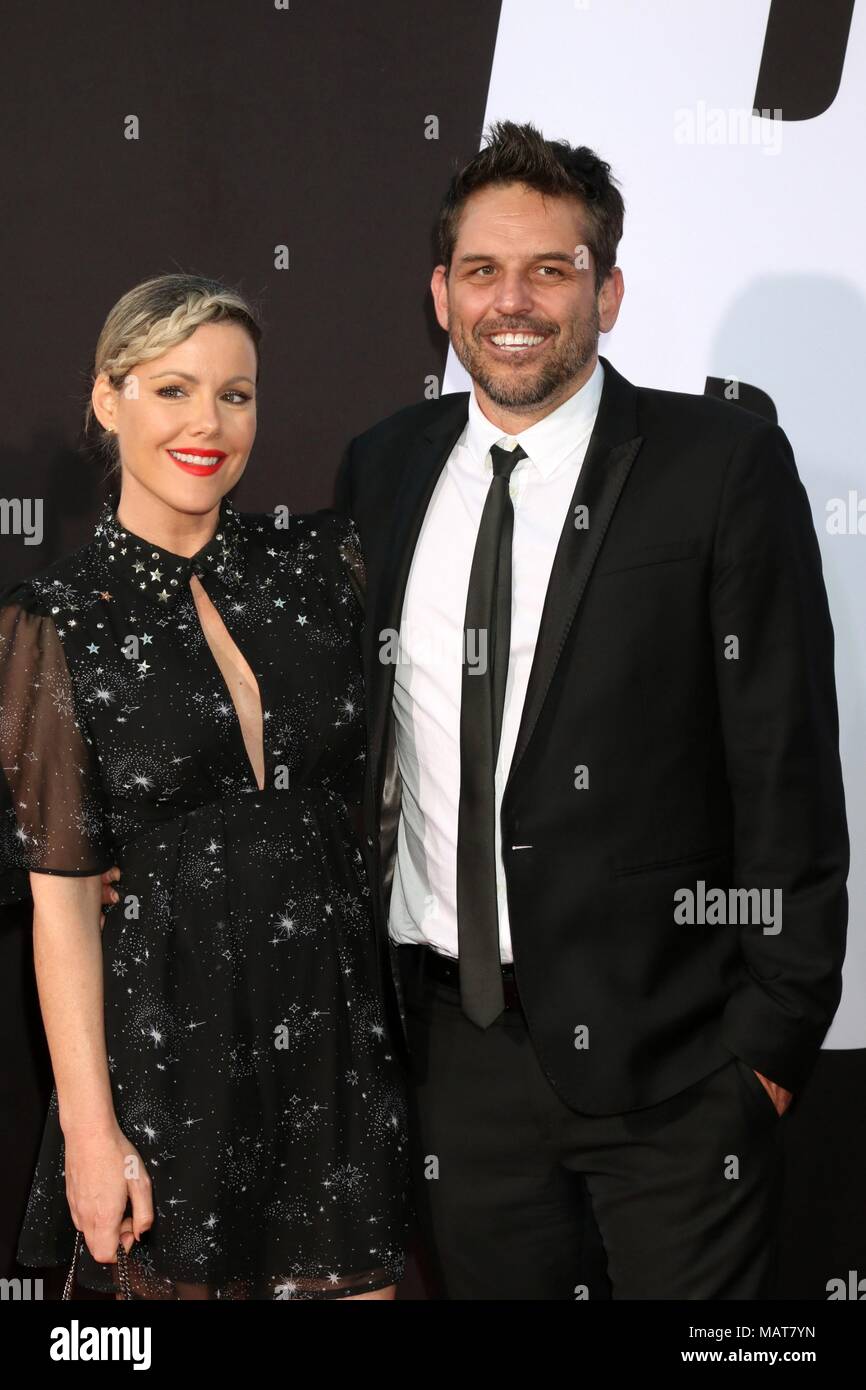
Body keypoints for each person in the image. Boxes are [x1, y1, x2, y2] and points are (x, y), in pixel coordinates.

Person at [334, 120, 849, 1299]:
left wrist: (767, 1047)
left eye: (549, 269)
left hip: (676, 1065)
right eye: (481, 270)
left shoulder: (718, 463)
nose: (511, 300)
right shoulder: (384, 467)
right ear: (439, 294)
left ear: (606, 293)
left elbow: (783, 764)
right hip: (452, 1057)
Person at [0, 273, 409, 1300]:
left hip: (334, 1048)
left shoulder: (323, 562)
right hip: (167, 1060)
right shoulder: (56, 620)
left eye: (236, 394)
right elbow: (61, 908)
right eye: (173, 389)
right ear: (109, 399)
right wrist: (91, 1133)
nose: (209, 423)